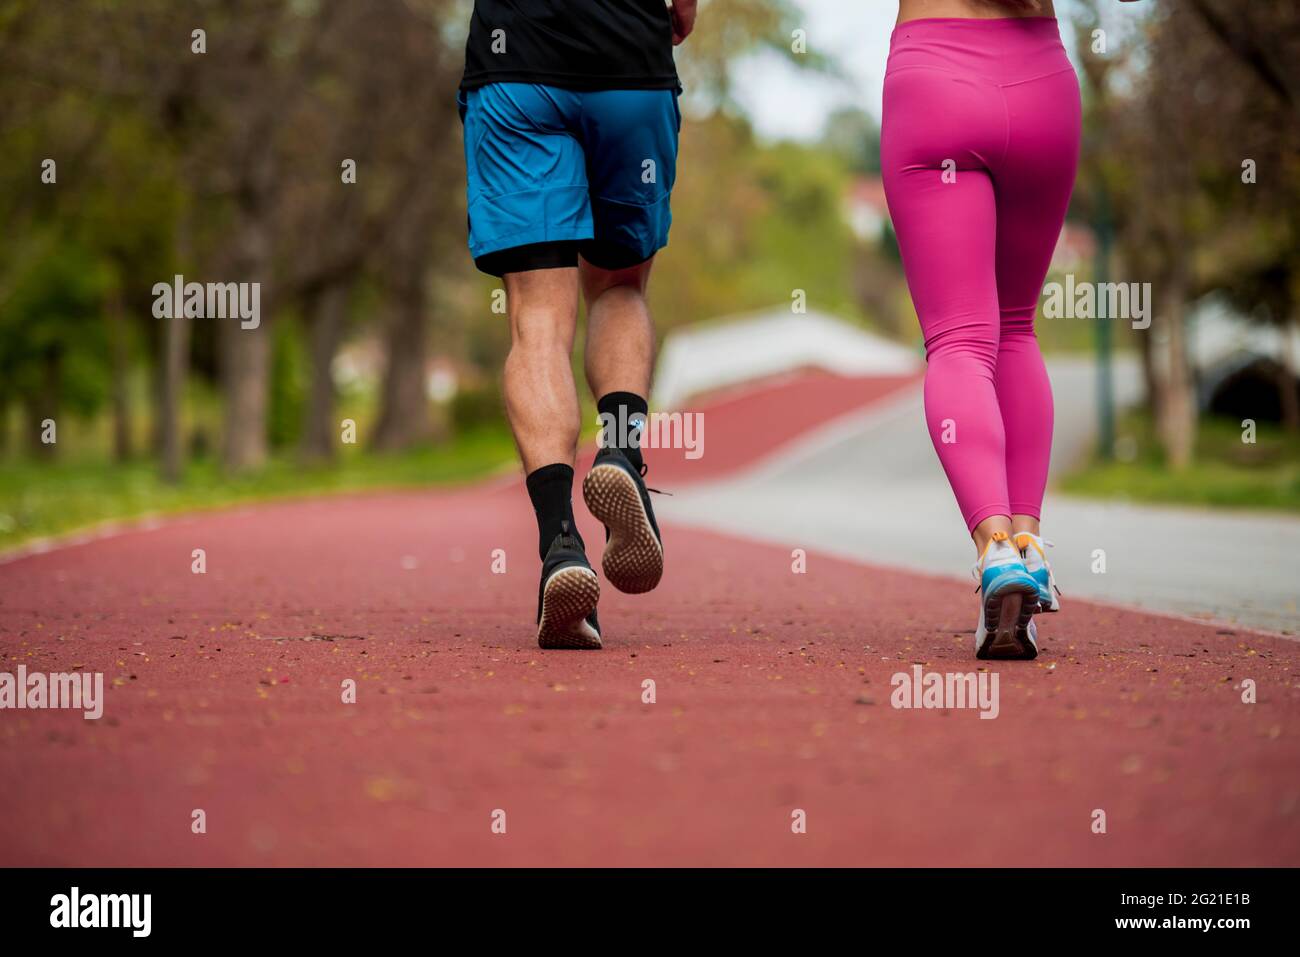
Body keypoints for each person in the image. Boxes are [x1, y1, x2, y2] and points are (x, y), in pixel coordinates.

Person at [882, 0, 1136, 658]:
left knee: (960, 340)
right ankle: (1029, 548)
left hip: (933, 78)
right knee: (1017, 327)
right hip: (1041, 87)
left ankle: (996, 549)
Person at [457, 0, 698, 649]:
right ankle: (620, 451)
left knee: (537, 316)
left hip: (517, 62)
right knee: (619, 285)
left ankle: (561, 544)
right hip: (628, 58)